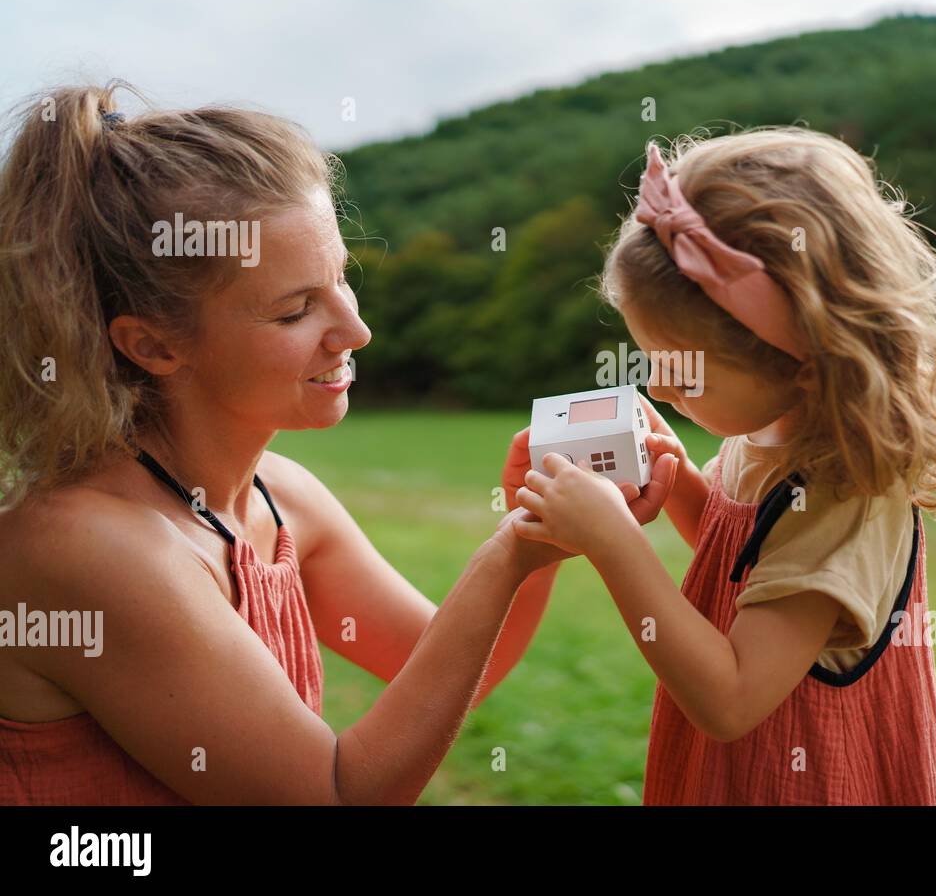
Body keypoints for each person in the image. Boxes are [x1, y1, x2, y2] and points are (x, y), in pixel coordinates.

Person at [0, 81, 675, 805]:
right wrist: (505, 553)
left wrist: (534, 540)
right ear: (153, 344)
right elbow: (335, 793)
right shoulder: (87, 548)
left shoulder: (281, 496)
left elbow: (446, 667)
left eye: (340, 280)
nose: (356, 332)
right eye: (295, 310)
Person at [512, 128, 936, 804]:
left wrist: (613, 542)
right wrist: (681, 479)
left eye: (685, 373)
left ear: (800, 365)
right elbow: (749, 569)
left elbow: (730, 697)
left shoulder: (843, 490)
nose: (659, 389)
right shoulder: (769, 432)